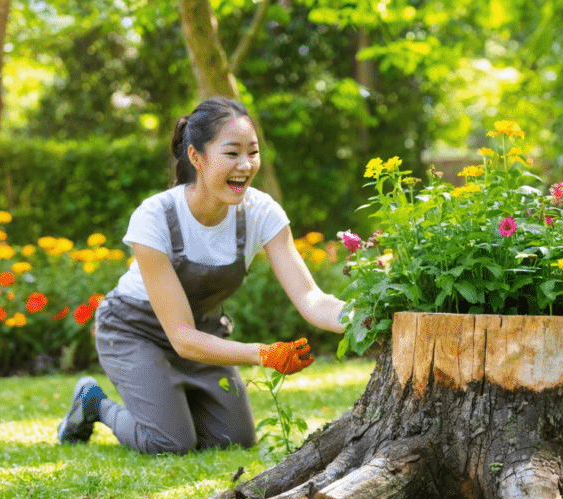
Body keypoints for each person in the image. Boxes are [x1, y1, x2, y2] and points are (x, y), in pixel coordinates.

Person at [57, 97, 347, 454]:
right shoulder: (155, 217)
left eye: (253, 153)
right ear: (196, 156)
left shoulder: (260, 212)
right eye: (232, 153)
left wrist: (365, 320)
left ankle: (171, 405)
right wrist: (263, 354)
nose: (246, 164)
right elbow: (180, 337)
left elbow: (311, 298)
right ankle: (94, 402)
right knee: (169, 443)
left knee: (233, 440)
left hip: (204, 331)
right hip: (135, 330)